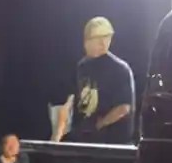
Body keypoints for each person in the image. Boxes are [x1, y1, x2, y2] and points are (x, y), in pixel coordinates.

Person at [52, 16, 136, 144]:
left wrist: (100, 124)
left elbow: (123, 107)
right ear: (87, 41)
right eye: (98, 39)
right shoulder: (81, 67)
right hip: (83, 139)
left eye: (107, 38)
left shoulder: (120, 69)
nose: (103, 43)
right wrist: (57, 136)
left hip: (111, 143)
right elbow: (68, 102)